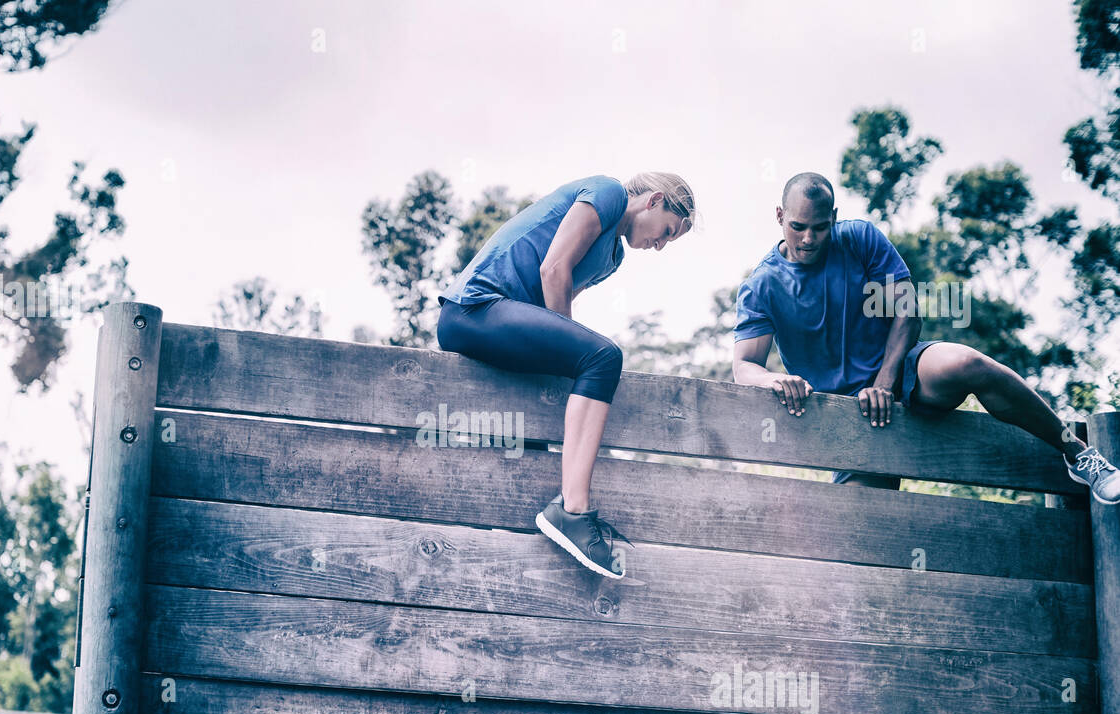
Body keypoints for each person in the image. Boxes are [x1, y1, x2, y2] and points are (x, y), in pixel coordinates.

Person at [731, 171, 1120, 504]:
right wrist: (774, 379)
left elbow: (907, 310)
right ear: (780, 217)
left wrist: (885, 381)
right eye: (798, 226)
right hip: (851, 417)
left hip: (903, 373)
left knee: (968, 363)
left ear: (834, 218)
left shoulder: (860, 239)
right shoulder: (762, 286)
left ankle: (1079, 455)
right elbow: (744, 366)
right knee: (863, 522)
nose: (810, 238)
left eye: (820, 227)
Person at [437, 172, 695, 578]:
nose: (659, 245)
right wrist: (574, 358)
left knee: (558, 407)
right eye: (666, 232)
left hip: (502, 324)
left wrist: (569, 358)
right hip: (474, 308)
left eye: (667, 242)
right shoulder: (607, 194)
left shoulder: (613, 258)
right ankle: (574, 511)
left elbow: (558, 310)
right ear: (654, 200)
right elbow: (553, 271)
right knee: (604, 357)